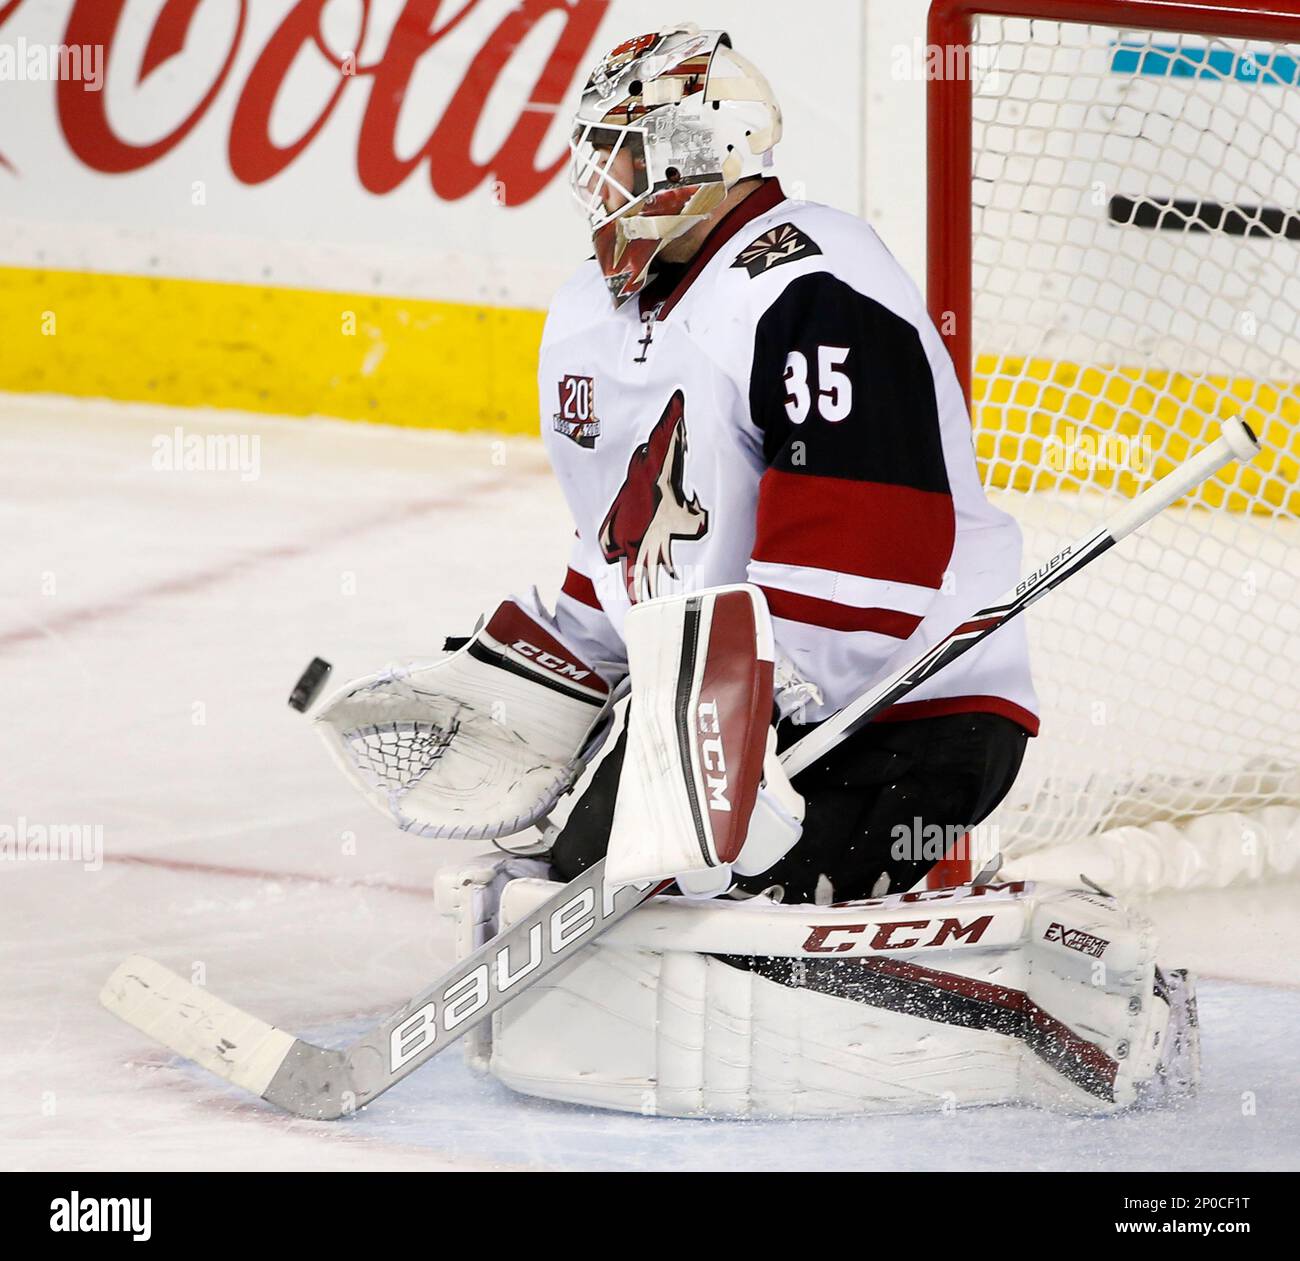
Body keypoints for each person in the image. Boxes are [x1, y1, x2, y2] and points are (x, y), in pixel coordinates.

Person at [539, 23, 1038, 902]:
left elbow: (867, 550)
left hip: (908, 716)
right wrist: (545, 664)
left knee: (678, 904)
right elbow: (626, 546)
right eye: (599, 158)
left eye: (625, 156)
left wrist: (743, 722)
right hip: (726, 706)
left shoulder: (817, 288)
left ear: (695, 156)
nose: (602, 187)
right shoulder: (602, 312)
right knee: (586, 882)